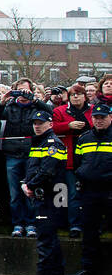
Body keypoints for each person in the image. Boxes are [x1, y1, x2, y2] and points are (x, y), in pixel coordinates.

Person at [19, 107, 67, 275]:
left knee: (46, 239)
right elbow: (34, 170)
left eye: (41, 123)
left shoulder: (51, 143)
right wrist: (27, 183)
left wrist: (29, 186)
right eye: (35, 123)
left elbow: (47, 171)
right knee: (50, 239)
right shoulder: (40, 143)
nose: (37, 126)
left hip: (50, 197)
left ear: (50, 124)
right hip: (48, 195)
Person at [70, 103, 112, 275]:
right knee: (89, 232)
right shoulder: (84, 138)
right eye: (96, 117)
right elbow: (79, 162)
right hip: (90, 191)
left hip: (110, 190)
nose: (99, 120)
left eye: (102, 117)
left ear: (110, 117)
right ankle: (89, 269)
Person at [53, 82, 93, 238]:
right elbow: (53, 127)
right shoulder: (60, 111)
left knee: (89, 194)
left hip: (89, 159)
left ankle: (90, 224)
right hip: (69, 158)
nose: (76, 97)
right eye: (72, 95)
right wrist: (68, 125)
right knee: (71, 193)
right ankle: (74, 225)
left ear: (85, 96)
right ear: (68, 97)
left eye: (79, 94)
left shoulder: (93, 110)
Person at [1, 83, 39, 236]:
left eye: (26, 90)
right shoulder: (10, 107)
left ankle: (31, 223)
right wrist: (3, 101)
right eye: (20, 90)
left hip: (31, 154)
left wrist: (35, 100)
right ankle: (17, 223)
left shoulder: (36, 107)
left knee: (30, 190)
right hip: (12, 154)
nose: (23, 93)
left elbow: (50, 113)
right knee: (15, 193)